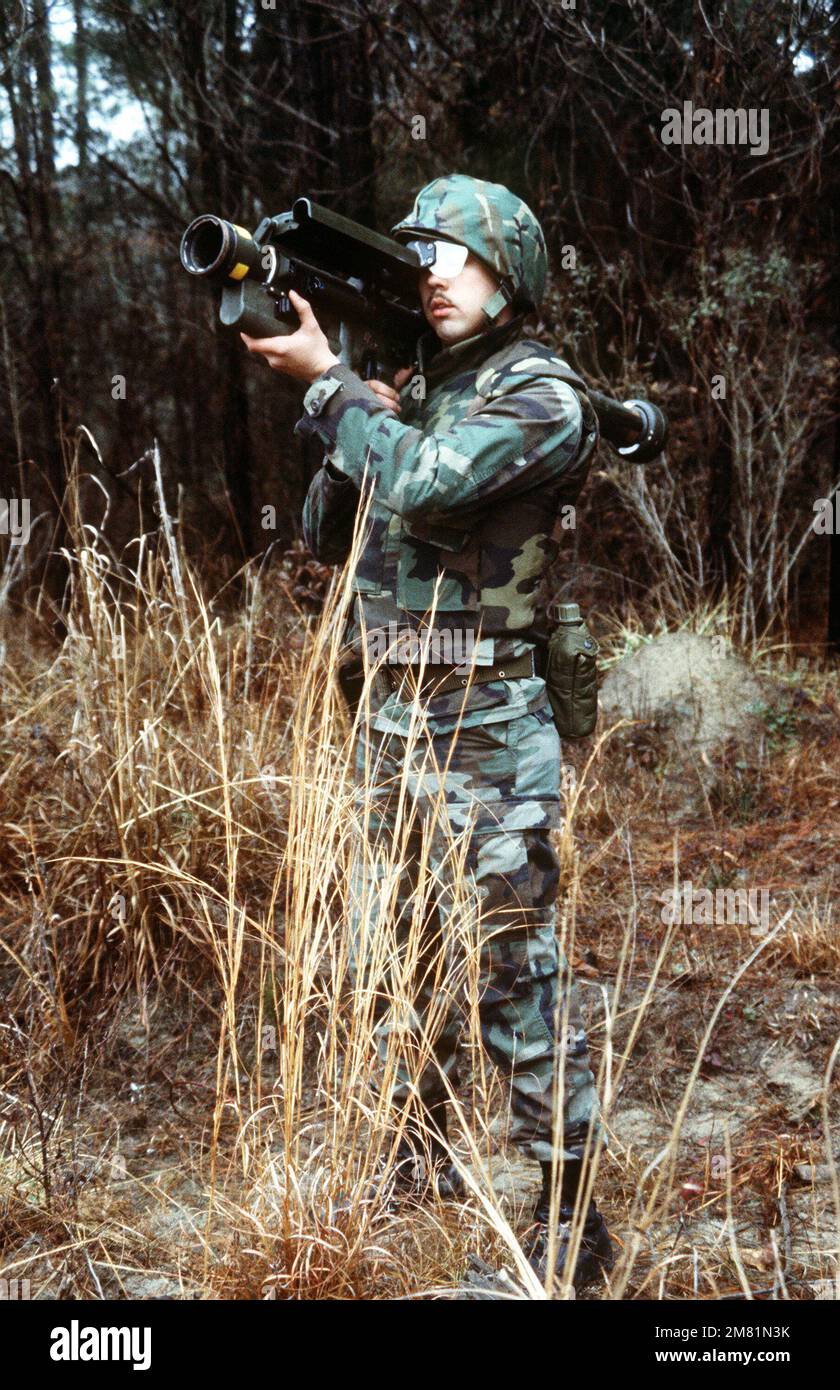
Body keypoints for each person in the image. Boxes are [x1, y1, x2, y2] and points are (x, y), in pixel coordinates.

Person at [241, 173, 614, 1290]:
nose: (432, 268)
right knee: (393, 955)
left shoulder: (541, 396)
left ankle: (569, 1228)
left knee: (514, 968)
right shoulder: (421, 390)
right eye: (421, 251)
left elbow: (436, 486)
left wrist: (333, 391)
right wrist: (359, 402)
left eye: (456, 250)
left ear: (513, 271)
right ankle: (414, 1168)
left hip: (491, 726)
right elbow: (327, 533)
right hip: (394, 719)